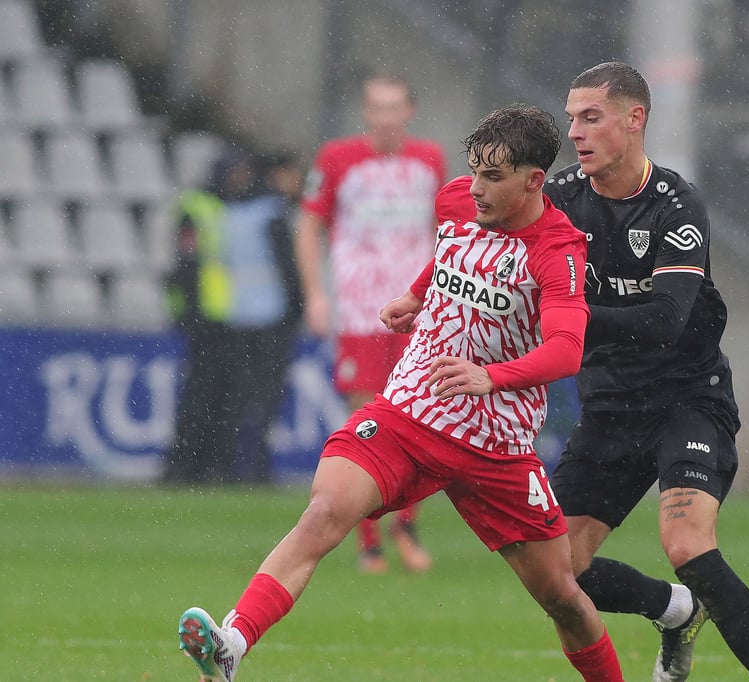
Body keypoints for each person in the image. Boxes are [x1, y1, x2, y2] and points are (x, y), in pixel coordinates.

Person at [177, 103, 625, 682]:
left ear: (533, 180)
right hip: (409, 410)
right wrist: (418, 296)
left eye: (494, 177)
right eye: (475, 171)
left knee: (563, 595)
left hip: (495, 443)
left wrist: (492, 376)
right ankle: (232, 643)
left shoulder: (556, 250)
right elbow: (448, 253)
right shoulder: (457, 199)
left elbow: (567, 350)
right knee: (323, 512)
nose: (476, 187)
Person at [543, 62, 749, 681]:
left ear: (635, 119)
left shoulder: (676, 206)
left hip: (688, 399)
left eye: (591, 117)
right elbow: (486, 252)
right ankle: (675, 612)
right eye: (571, 117)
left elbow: (664, 321)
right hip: (608, 408)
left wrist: (567, 314)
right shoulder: (559, 200)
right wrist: (426, 295)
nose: (574, 131)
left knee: (687, 544)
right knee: (555, 572)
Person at [295, 72, 445, 572]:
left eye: (393, 107)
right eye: (376, 107)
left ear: (409, 111)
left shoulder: (430, 161)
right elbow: (309, 223)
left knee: (420, 418)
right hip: (360, 309)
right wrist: (317, 295)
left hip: (418, 311)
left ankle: (405, 523)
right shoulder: (338, 159)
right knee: (366, 419)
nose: (384, 117)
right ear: (366, 112)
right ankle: (368, 539)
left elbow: (445, 231)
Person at [163, 147, 303, 485]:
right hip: (223, 320)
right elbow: (188, 266)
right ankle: (216, 468)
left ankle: (216, 468)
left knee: (223, 400)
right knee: (218, 400)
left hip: (230, 319)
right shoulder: (256, 212)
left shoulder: (232, 210)